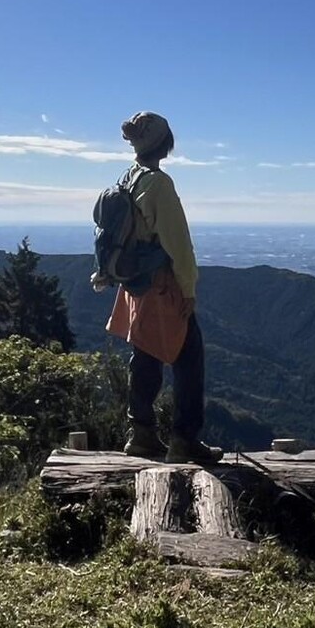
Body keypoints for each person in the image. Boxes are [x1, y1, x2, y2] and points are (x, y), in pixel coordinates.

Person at [106, 111, 222, 466]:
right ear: (165, 143)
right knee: (190, 357)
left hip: (136, 284)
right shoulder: (159, 184)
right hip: (162, 285)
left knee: (146, 353)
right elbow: (178, 244)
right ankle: (185, 439)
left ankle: (141, 433)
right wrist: (188, 288)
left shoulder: (128, 177)